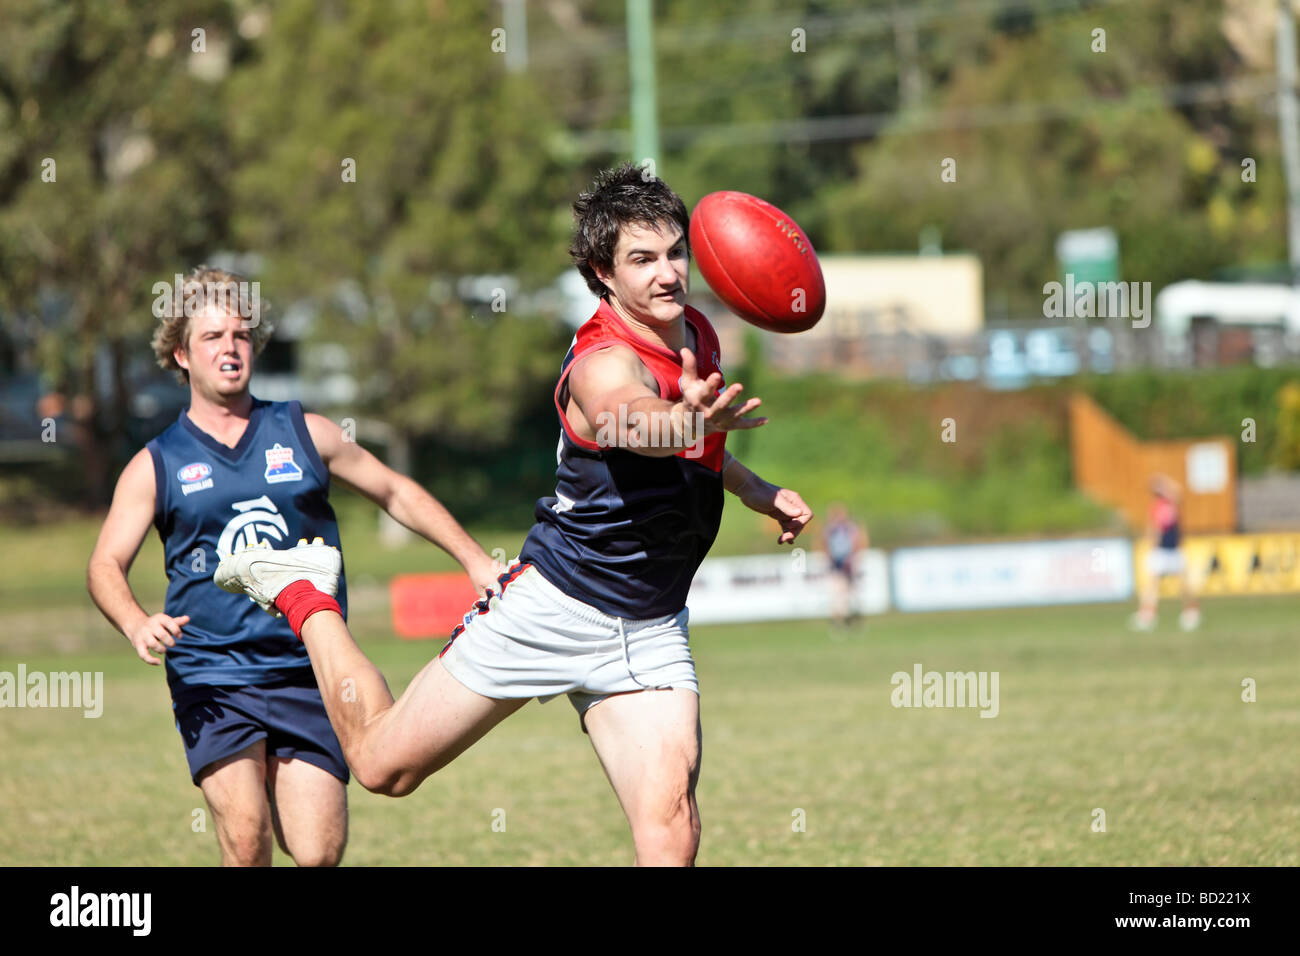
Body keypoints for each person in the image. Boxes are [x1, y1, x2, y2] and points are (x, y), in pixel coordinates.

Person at [215, 163, 814, 866]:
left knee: (672, 826)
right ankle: (304, 593)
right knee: (383, 769)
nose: (667, 273)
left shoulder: (698, 335)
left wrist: (754, 488)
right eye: (642, 259)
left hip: (651, 625)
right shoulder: (601, 361)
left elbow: (694, 446)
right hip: (555, 604)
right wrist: (687, 423)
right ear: (602, 273)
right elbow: (633, 422)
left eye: (676, 252)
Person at [86, 266, 499, 866]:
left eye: (240, 335)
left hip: (310, 670)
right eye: (211, 337)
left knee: (317, 853)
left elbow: (395, 492)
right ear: (181, 353)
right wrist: (132, 621)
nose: (230, 347)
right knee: (246, 838)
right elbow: (105, 563)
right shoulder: (157, 463)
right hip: (213, 674)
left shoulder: (305, 431)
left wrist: (473, 560)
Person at [1130, 474, 1200, 632]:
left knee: (1184, 584)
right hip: (1160, 549)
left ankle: (1191, 612)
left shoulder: (1173, 502)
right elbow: (1154, 527)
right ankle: (1147, 614)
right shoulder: (1156, 505)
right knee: (1152, 583)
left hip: (1174, 548)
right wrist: (1151, 543)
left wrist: (1164, 482)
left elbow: (1178, 490)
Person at [822, 503, 868, 630]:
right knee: (838, 595)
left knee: (853, 595)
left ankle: (854, 621)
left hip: (849, 565)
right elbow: (823, 544)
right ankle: (839, 622)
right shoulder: (830, 529)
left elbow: (860, 542)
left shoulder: (851, 528)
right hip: (836, 565)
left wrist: (855, 559)